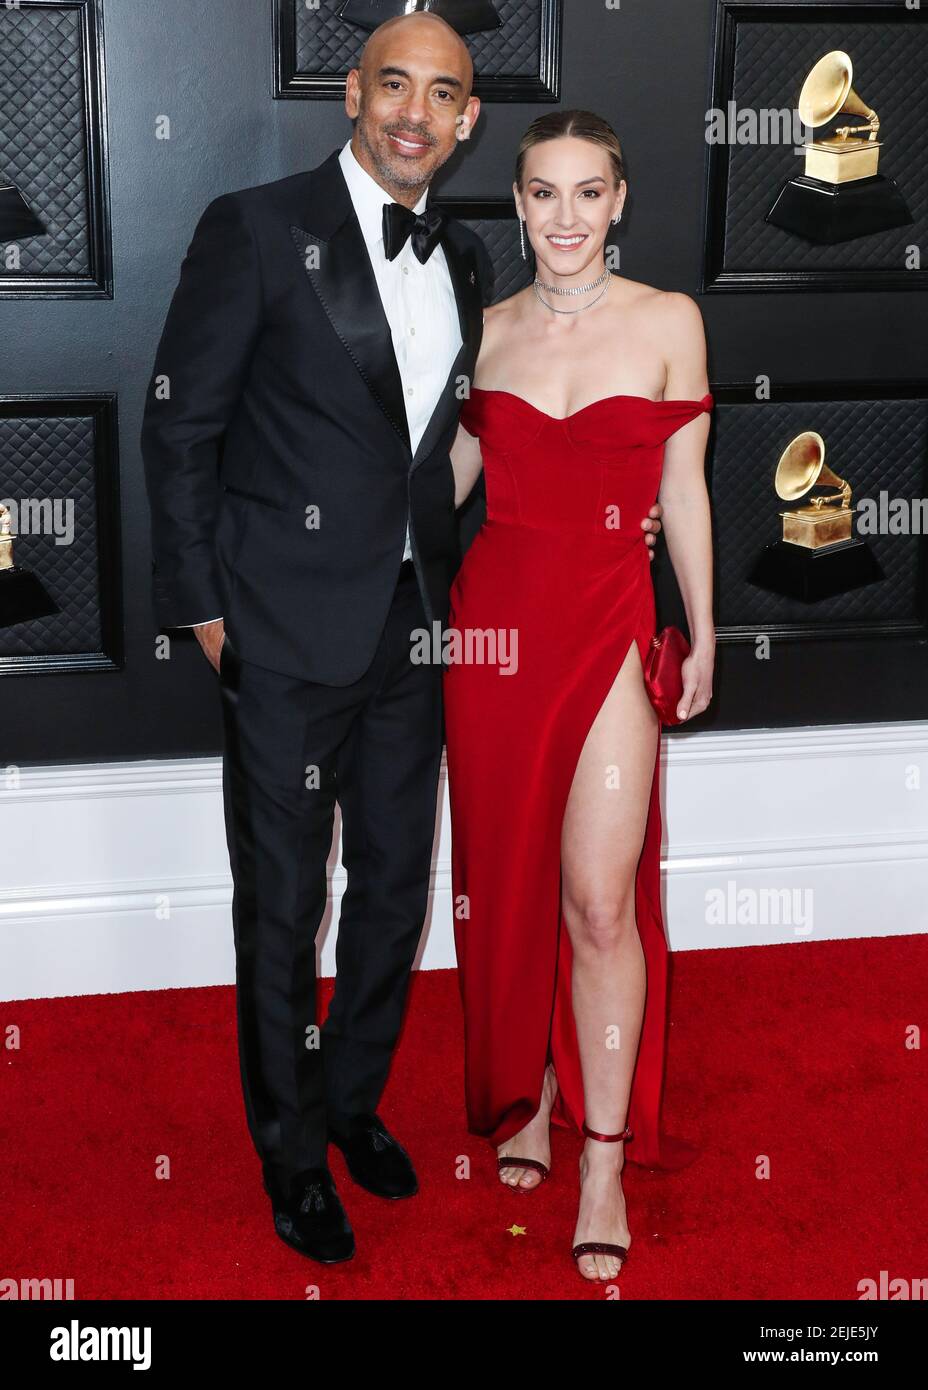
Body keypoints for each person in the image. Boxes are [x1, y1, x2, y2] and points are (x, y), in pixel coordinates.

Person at [142, 13, 664, 1266]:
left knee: (389, 888)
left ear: (470, 118)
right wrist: (205, 610)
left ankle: (354, 1104)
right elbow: (177, 429)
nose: (415, 113)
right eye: (393, 86)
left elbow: (466, 449)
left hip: (423, 633)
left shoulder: (473, 260)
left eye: (443, 93)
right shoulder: (255, 227)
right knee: (282, 907)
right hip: (277, 631)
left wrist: (610, 518)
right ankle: (287, 1153)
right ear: (353, 96)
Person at [443, 110, 715, 1282]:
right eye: (543, 194)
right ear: (516, 204)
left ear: (619, 202)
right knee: (508, 885)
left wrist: (703, 629)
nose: (564, 217)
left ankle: (602, 1155)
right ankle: (533, 1088)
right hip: (492, 630)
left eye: (587, 193)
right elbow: (432, 489)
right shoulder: (487, 330)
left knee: (598, 898)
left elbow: (686, 492)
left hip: (609, 618)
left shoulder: (668, 321)